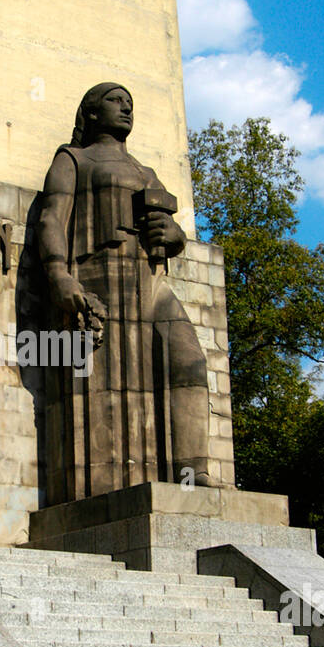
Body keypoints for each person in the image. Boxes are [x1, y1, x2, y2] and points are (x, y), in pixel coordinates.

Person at [36, 82, 212, 500]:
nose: (126, 109)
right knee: (100, 380)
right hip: (97, 274)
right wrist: (60, 275)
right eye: (115, 101)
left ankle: (193, 475)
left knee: (189, 360)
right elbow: (50, 219)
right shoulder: (72, 160)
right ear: (91, 113)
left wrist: (175, 236)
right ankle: (100, 493)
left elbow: (172, 233)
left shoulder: (146, 172)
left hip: (150, 280)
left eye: (130, 103)